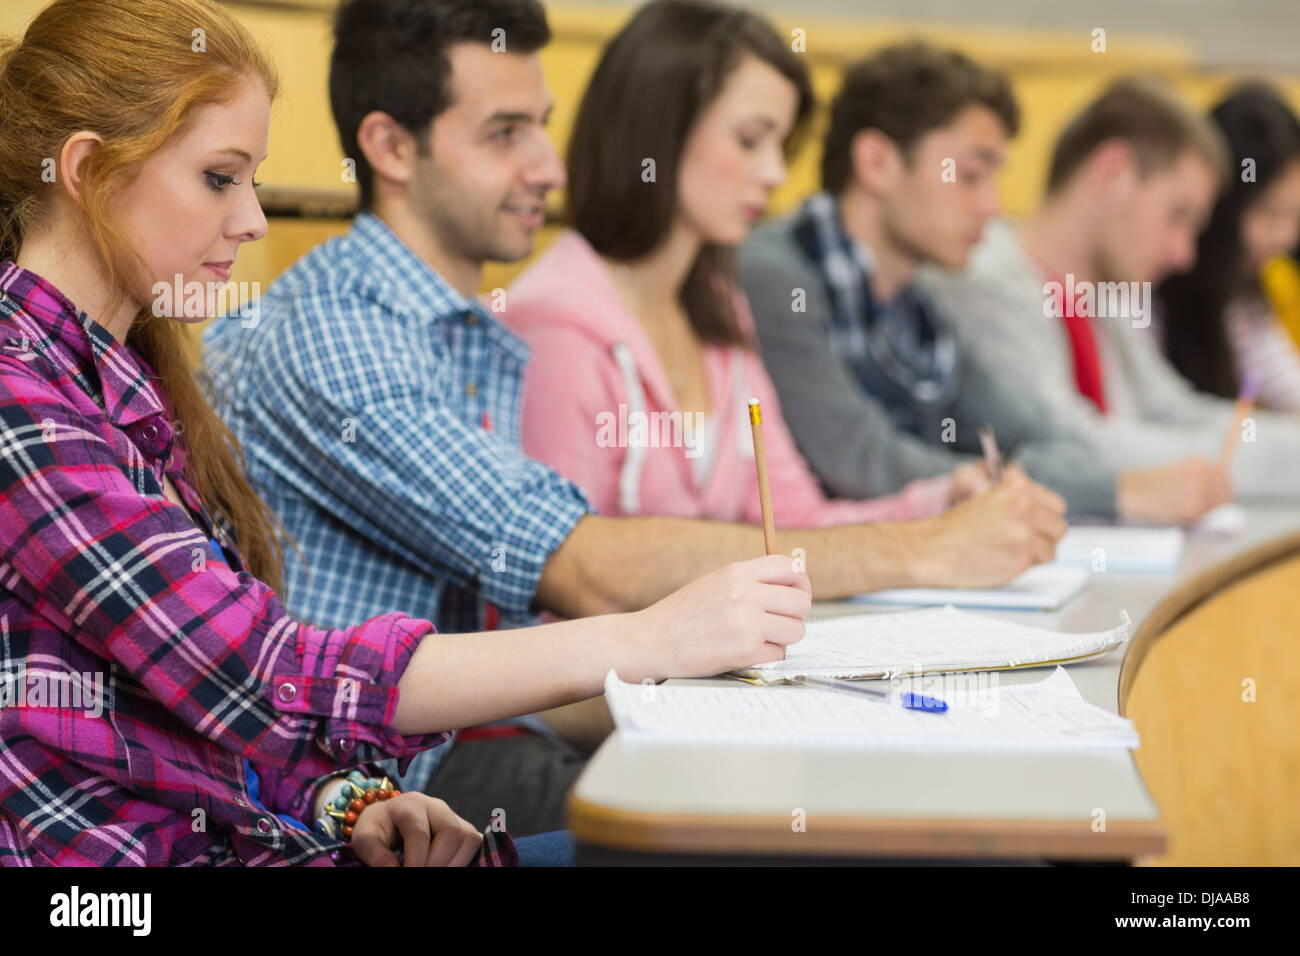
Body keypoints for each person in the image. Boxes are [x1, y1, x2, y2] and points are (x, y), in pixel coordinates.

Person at [201, 0, 1066, 836]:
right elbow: (588, 571)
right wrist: (935, 546)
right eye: (506, 134)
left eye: (542, 125)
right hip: (374, 790)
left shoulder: (470, 332)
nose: (549, 166)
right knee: (787, 818)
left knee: (861, 782)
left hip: (463, 744)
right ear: (390, 146)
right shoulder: (340, 336)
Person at [0, 0, 811, 867]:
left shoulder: (130, 376)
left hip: (294, 823)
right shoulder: (20, 396)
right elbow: (261, 673)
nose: (252, 221)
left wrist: (349, 800)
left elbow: (194, 711)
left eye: (254, 181)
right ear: (86, 169)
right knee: (733, 845)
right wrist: (649, 638)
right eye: (219, 177)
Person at [506, 4, 1021, 527]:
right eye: (750, 140)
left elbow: (792, 517)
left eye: (780, 145)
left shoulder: (719, 309)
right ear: (660, 129)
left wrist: (936, 504)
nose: (775, 173)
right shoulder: (557, 323)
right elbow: (564, 577)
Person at [738, 43, 1231, 525]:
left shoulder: (922, 306)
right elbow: (862, 462)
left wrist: (1050, 482)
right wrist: (1109, 491)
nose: (992, 206)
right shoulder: (776, 274)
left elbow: (1040, 433)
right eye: (970, 176)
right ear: (877, 163)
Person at [925, 76, 1300, 501]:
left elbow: (1175, 411)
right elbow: (1075, 445)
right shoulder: (983, 279)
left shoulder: (1107, 296)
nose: (1184, 254)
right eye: (1178, 215)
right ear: (1112, 174)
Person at [1160, 83, 1300, 412]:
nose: (1285, 237)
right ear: (1221, 201)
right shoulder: (1150, 294)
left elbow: (1287, 386)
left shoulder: (1244, 297)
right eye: (1270, 211)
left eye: (1295, 216)